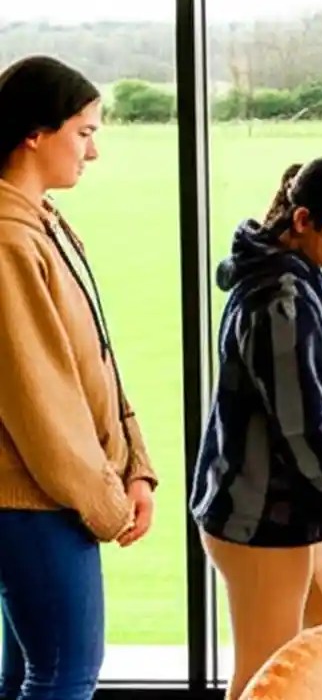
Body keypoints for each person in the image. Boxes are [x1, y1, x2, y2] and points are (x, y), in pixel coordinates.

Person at [189, 157, 322, 699]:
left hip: (291, 522)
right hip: (262, 527)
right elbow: (303, 428)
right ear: (302, 221)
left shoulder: (288, 281)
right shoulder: (282, 299)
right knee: (264, 682)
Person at [0, 55, 159, 700]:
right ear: (36, 132)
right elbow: (41, 399)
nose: (92, 152)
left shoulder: (41, 223)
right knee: (64, 672)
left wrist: (137, 466)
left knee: (28, 674)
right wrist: (106, 502)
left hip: (44, 496)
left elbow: (95, 359)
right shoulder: (10, 240)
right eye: (85, 132)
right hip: (37, 499)